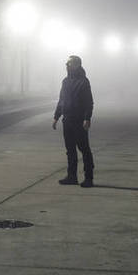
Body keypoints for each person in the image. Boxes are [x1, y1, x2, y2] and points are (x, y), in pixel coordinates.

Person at [52, 54, 95, 187]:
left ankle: (88, 178)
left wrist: (87, 119)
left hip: (79, 120)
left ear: (77, 65)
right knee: (70, 149)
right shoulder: (65, 81)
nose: (67, 65)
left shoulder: (83, 81)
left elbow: (89, 102)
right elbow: (61, 100)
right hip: (67, 120)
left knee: (84, 149)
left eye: (69, 63)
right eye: (66, 63)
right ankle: (72, 176)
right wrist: (56, 116)